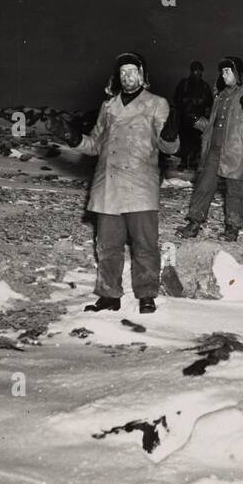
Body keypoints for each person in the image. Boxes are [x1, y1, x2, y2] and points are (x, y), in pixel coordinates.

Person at [56, 52, 179, 314]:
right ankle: (109, 295)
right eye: (123, 72)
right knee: (107, 245)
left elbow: (168, 146)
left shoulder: (157, 104)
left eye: (132, 71)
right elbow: (95, 145)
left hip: (139, 185)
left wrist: (171, 135)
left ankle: (146, 294)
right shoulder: (108, 107)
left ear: (143, 75)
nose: (127, 77)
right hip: (108, 186)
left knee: (144, 245)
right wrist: (73, 137)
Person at [177, 56, 243, 241]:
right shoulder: (220, 97)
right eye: (222, 71)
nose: (223, 75)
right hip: (214, 150)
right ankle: (193, 223)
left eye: (227, 71)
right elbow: (214, 126)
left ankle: (232, 228)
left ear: (238, 74)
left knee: (235, 191)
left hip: (237, 151)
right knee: (203, 186)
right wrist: (197, 121)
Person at [172, 60, 214, 170]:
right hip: (184, 119)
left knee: (196, 141)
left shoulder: (204, 86)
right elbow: (177, 99)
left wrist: (200, 106)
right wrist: (186, 104)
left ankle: (194, 162)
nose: (198, 73)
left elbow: (209, 102)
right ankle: (184, 161)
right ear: (192, 71)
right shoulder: (184, 84)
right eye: (196, 71)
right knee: (184, 141)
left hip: (198, 119)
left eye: (199, 71)